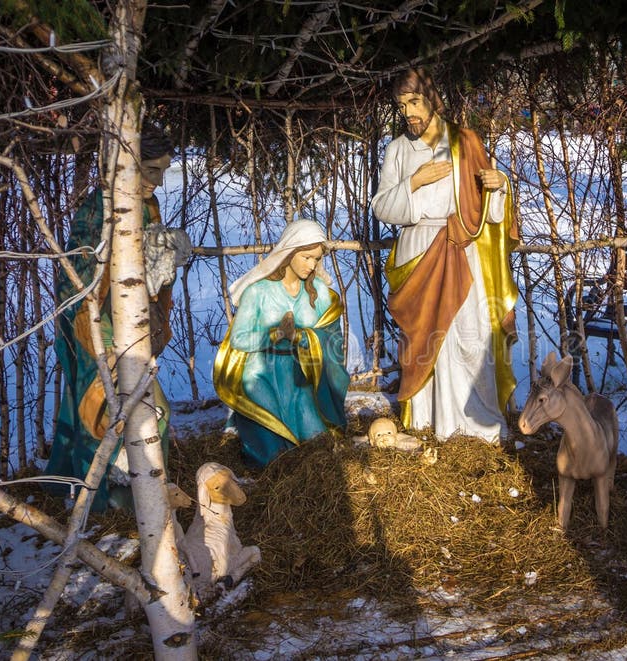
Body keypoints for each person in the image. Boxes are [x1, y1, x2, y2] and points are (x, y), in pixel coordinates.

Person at [371, 68, 519, 443]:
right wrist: (414, 182)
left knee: (468, 338)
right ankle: (428, 421)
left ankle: (477, 425)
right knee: (424, 342)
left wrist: (500, 186)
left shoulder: (465, 141)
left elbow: (491, 208)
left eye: (414, 103)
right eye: (401, 106)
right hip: (418, 252)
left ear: (432, 99)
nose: (408, 113)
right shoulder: (398, 150)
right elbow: (382, 207)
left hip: (460, 252)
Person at [45, 126, 179, 511]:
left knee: (149, 414)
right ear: (128, 168)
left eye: (163, 171)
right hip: (99, 331)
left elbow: (149, 277)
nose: (158, 181)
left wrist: (165, 259)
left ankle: (139, 500)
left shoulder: (148, 205)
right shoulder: (98, 209)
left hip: (133, 325)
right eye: (151, 170)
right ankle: (103, 503)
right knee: (105, 415)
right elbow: (80, 276)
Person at [213, 220, 349, 468]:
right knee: (274, 456)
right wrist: (274, 336)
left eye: (316, 260)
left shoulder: (318, 292)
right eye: (307, 257)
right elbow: (239, 338)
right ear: (289, 251)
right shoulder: (259, 292)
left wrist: (299, 337)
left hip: (301, 377)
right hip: (262, 376)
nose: (312, 265)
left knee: (319, 445)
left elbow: (331, 336)